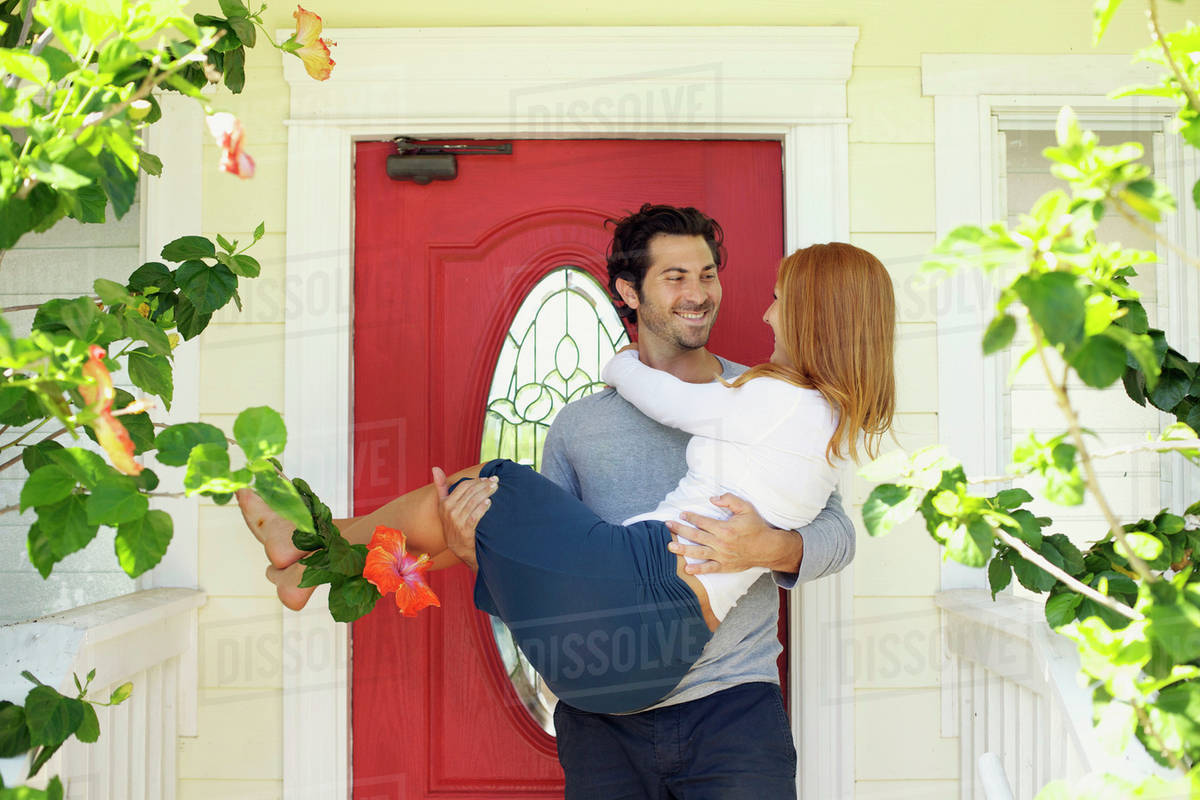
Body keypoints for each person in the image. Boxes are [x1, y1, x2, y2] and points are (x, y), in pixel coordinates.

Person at [241, 205, 884, 797]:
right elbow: (554, 566)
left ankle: (317, 548)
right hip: (604, 714)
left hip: (731, 708)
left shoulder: (763, 399)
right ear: (630, 293)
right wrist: (469, 551)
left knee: (484, 483)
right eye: (676, 276)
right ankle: (321, 559)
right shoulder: (582, 425)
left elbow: (839, 534)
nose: (699, 293)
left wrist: (769, 546)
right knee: (476, 506)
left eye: (708, 275)